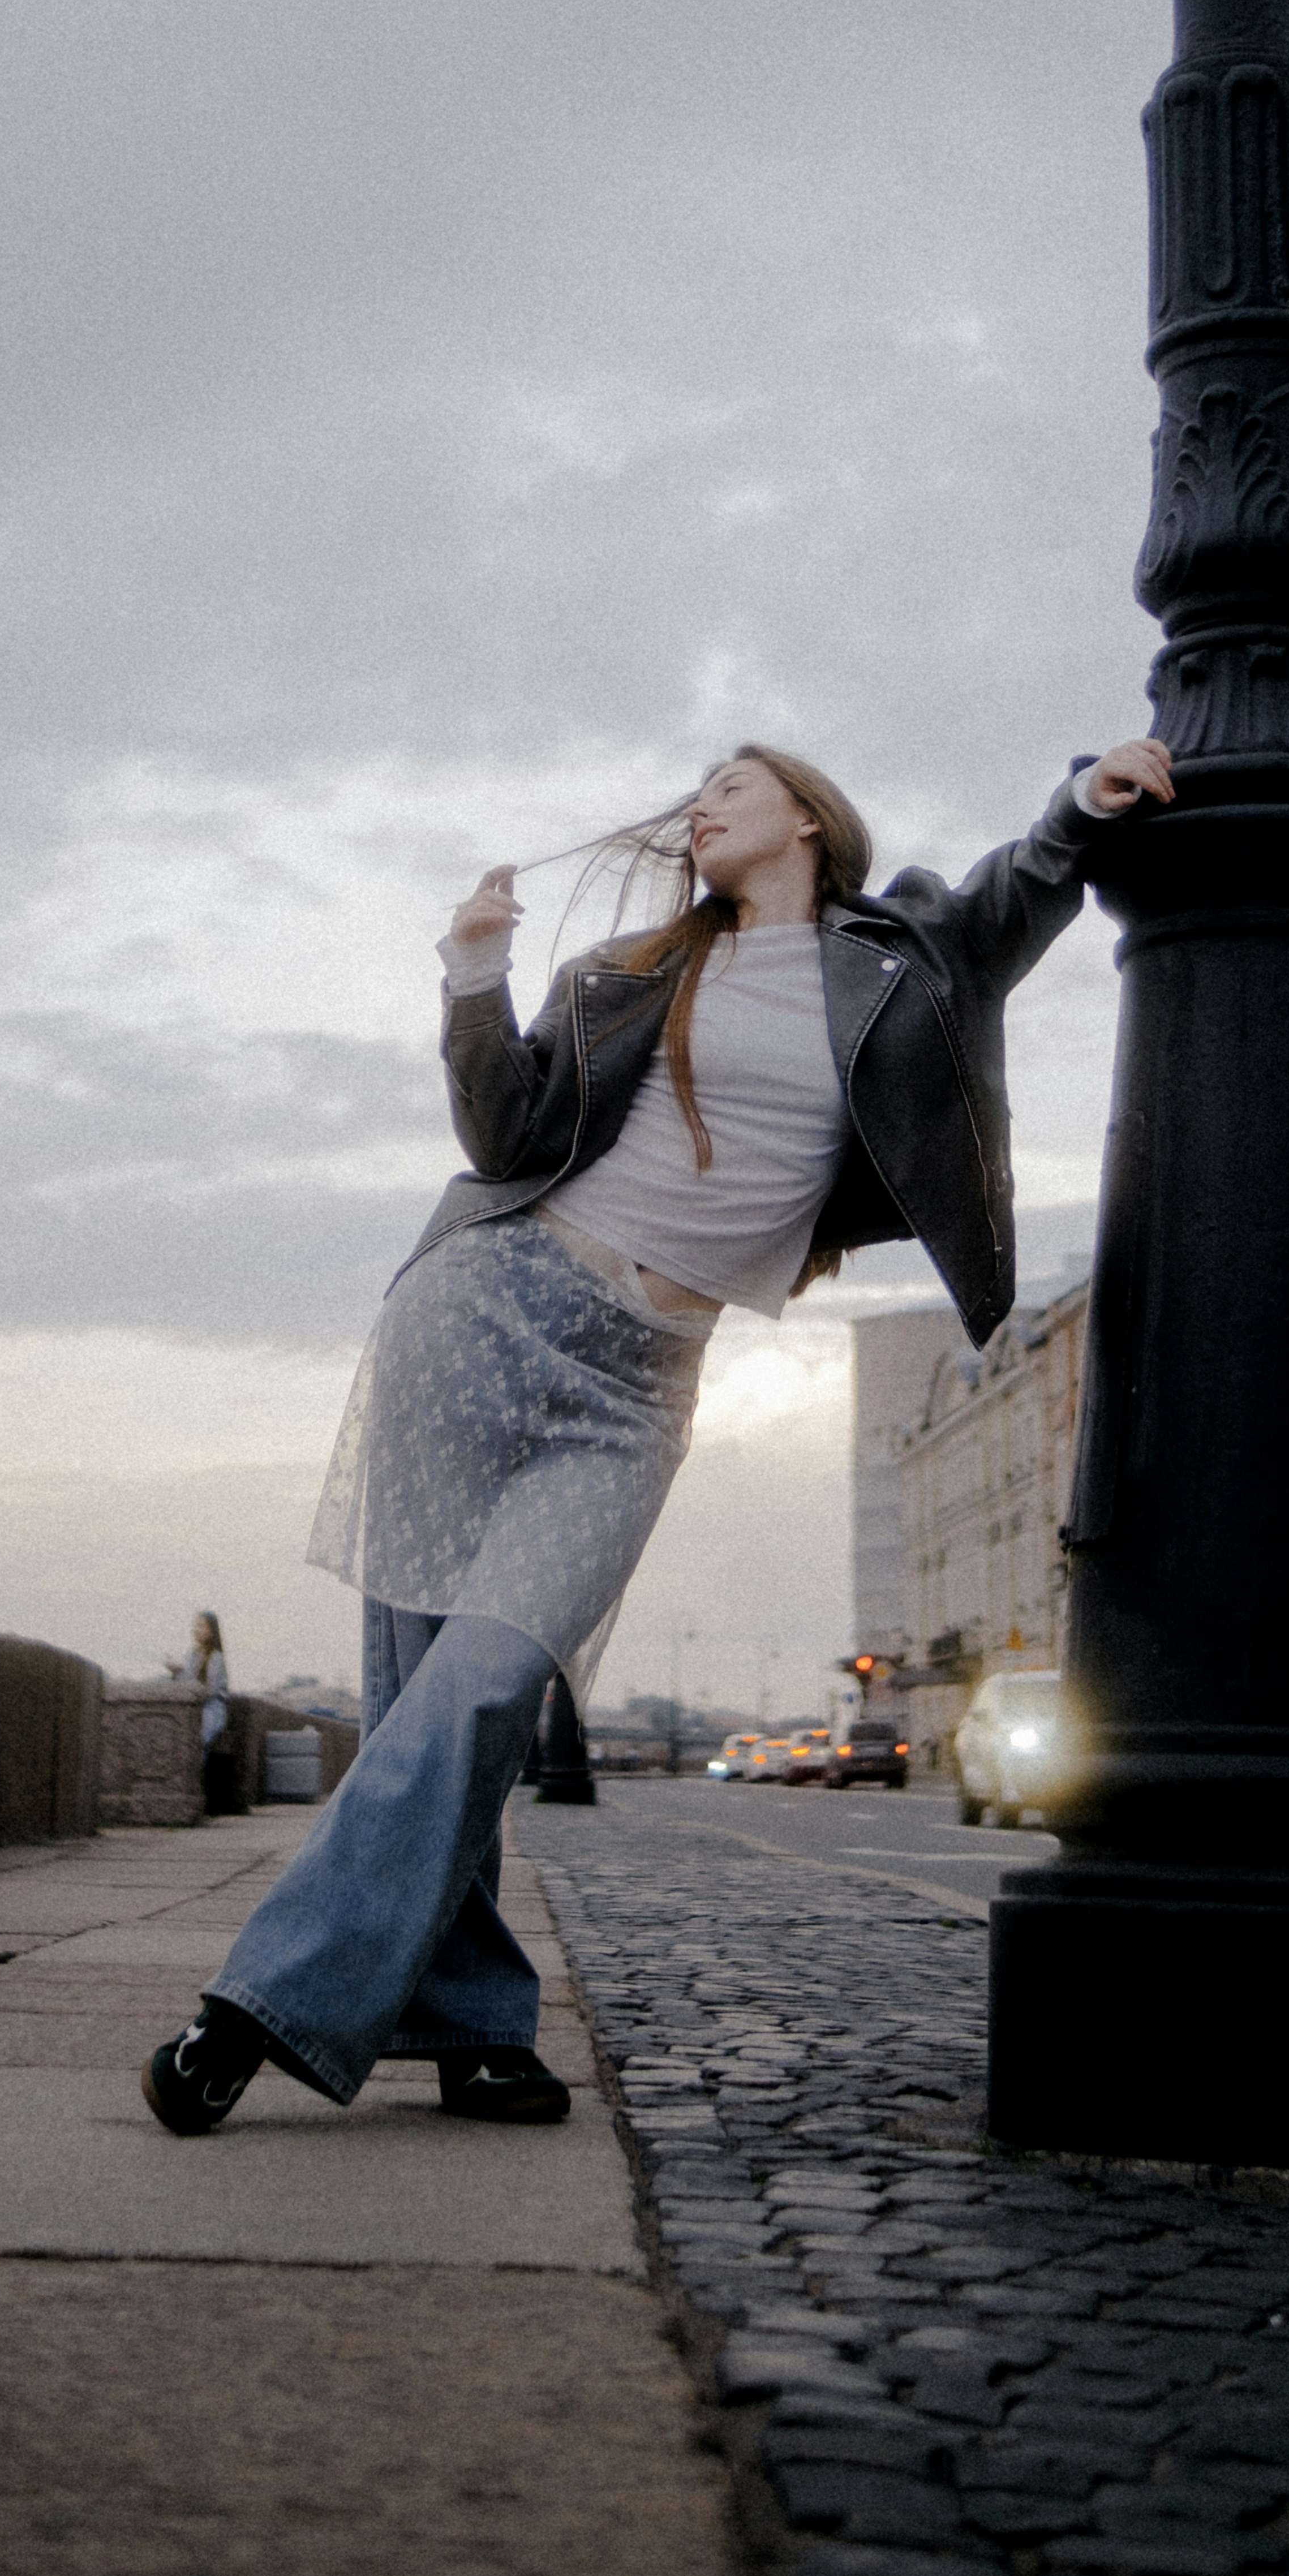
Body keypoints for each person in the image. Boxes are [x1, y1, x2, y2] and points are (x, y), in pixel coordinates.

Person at [142, 730, 1174, 2136]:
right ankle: (470, 2026)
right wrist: (469, 975)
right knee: (420, 1697)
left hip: (636, 1386)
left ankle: (256, 2000)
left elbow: (1013, 899)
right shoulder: (628, 975)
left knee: (497, 1682)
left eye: (730, 793)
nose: (701, 812)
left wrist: (1081, 807)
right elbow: (506, 1139)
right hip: (483, 1314)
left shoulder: (895, 957)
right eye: (693, 798)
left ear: (806, 817)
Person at [178, 1612, 235, 1811]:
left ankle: (192, 1785)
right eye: (196, 1626)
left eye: (202, 1626)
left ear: (212, 1631)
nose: (197, 1630)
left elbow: (210, 1690)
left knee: (200, 1736)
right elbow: (185, 1687)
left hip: (213, 1707)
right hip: (194, 1707)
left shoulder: (217, 1657)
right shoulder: (191, 1655)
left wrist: (185, 1676)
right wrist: (177, 1673)